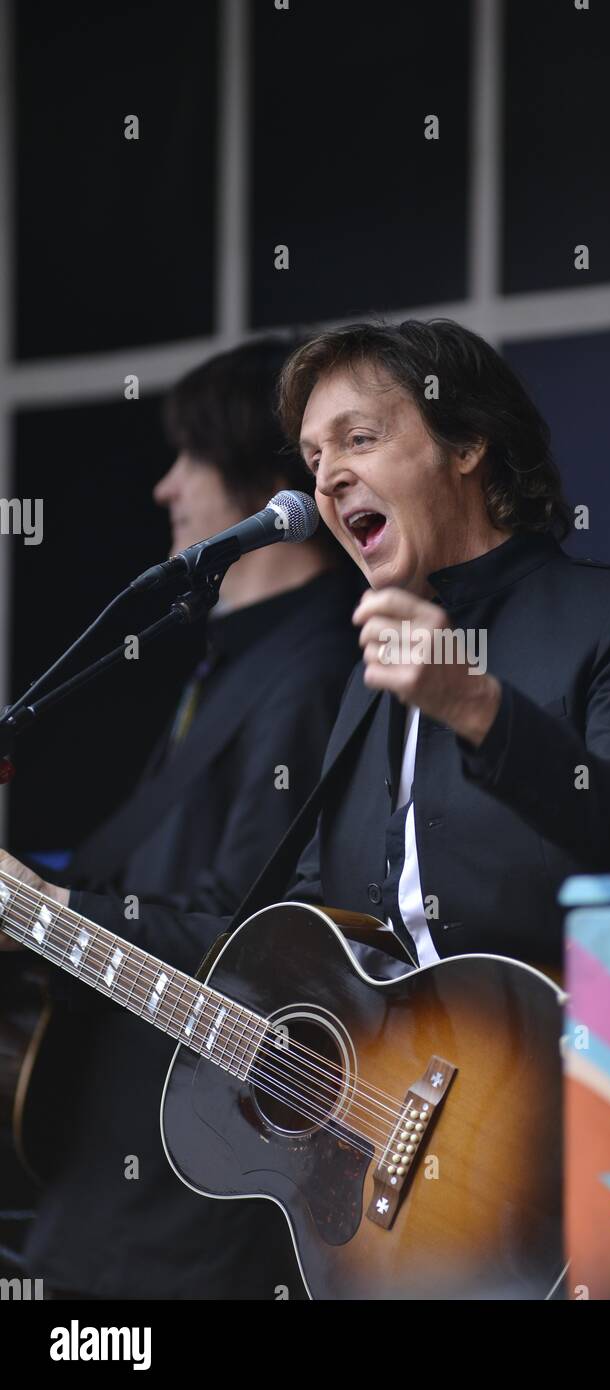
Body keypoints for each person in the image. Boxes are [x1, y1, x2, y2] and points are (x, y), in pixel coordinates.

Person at [1, 317, 610, 1289]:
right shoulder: (364, 678)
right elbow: (276, 932)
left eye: (359, 438)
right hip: (397, 1199)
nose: (325, 476)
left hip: (568, 1129)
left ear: (469, 444)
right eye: (311, 453)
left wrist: (475, 705)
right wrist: (44, 915)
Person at [1, 336, 361, 1299]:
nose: (166, 487)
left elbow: (249, 935)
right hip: (112, 1158)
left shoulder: (311, 671)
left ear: (263, 478)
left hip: (178, 1189)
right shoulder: (240, 658)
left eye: (191, 455)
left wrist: (56, 905)